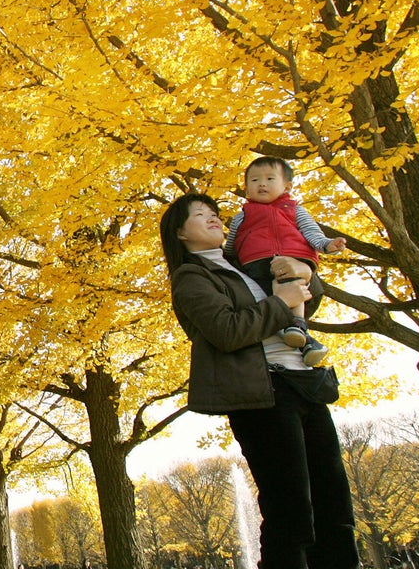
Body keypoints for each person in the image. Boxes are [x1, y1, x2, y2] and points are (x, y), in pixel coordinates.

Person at [162, 192, 359, 569]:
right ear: (181, 234)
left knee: (333, 503)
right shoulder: (191, 277)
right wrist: (280, 302)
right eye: (200, 215)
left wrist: (305, 274)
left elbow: (305, 299)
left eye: (215, 213)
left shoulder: (248, 264)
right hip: (261, 395)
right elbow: (226, 331)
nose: (214, 218)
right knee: (291, 511)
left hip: (304, 384)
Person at [224, 156, 346, 366]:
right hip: (255, 263)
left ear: (287, 186)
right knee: (274, 300)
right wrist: (225, 262)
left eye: (270, 178)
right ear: (246, 190)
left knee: (288, 280)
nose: (261, 184)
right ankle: (306, 342)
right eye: (254, 181)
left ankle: (298, 325)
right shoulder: (242, 216)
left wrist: (327, 245)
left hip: (293, 257)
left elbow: (312, 233)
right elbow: (231, 246)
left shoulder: (294, 210)